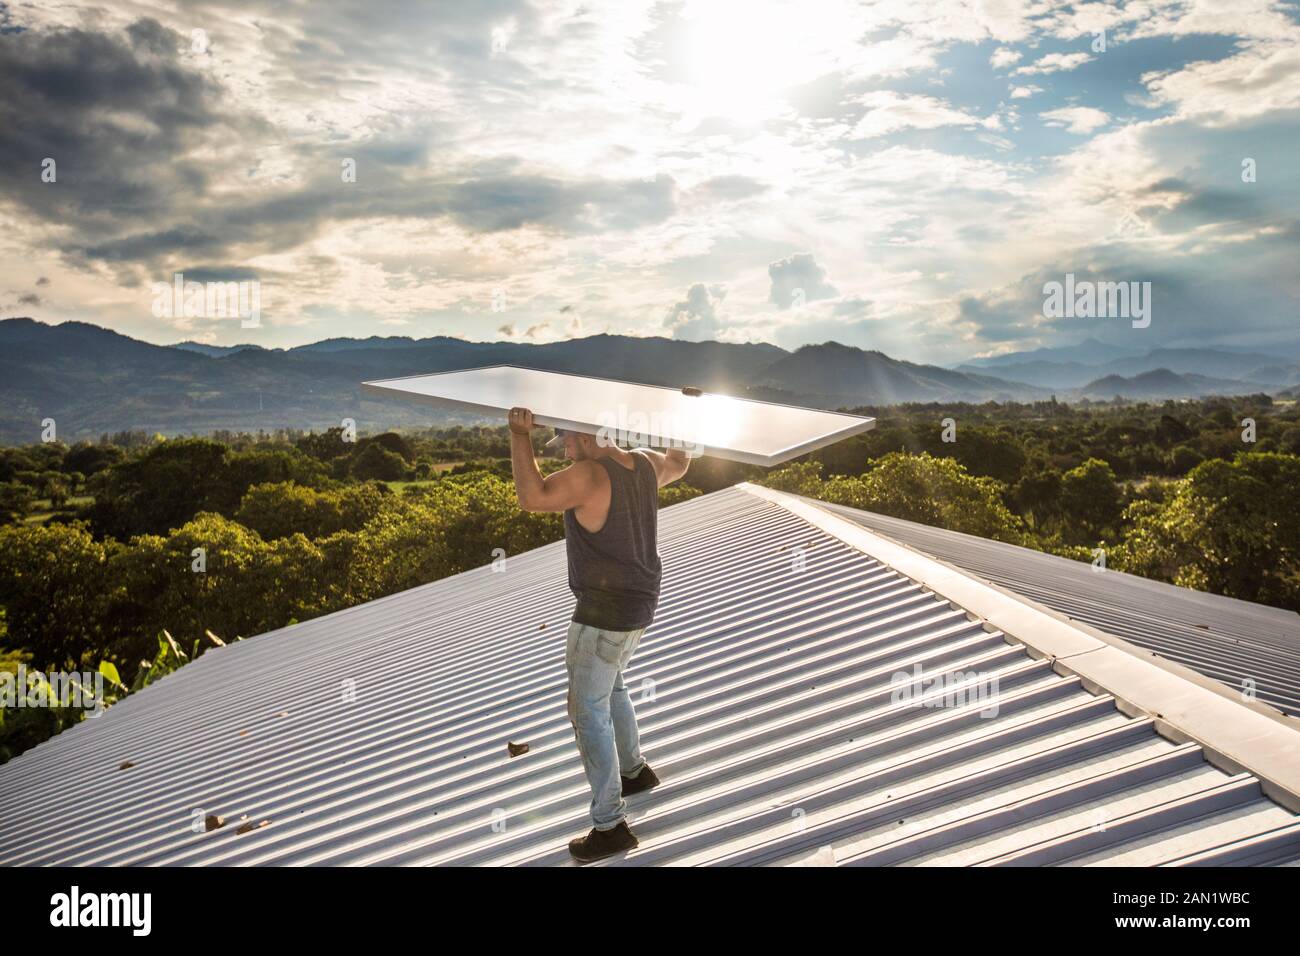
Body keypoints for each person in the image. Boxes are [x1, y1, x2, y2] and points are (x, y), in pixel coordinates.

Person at [508, 407, 690, 862]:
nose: (563, 449)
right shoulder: (644, 463)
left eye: (565, 440)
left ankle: (610, 827)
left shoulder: (588, 475)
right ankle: (634, 771)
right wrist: (680, 421)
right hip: (641, 604)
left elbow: (531, 497)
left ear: (585, 435)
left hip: (602, 613)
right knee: (613, 687)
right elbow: (681, 463)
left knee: (586, 710)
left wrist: (518, 436)